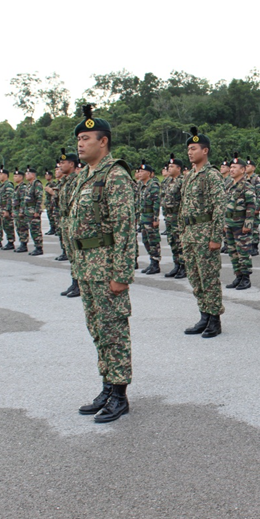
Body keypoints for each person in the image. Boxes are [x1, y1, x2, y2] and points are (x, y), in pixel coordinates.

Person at [69, 104, 136, 423]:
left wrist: (121, 273)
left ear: (103, 141)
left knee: (114, 331)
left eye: (86, 138)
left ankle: (120, 395)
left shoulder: (115, 175)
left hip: (107, 267)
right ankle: (107, 386)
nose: (80, 144)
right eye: (78, 139)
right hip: (87, 267)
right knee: (97, 329)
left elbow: (125, 228)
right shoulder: (85, 176)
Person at [180, 127, 226, 338]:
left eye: (194, 148)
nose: (189, 152)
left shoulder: (211, 175)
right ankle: (204, 315)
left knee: (209, 278)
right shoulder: (190, 175)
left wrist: (216, 237)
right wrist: (182, 232)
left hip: (205, 234)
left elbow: (219, 207)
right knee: (195, 278)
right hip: (189, 234)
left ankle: (215, 319)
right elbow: (183, 206)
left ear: (205, 150)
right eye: (188, 149)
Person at [224, 153, 256, 290]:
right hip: (230, 223)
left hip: (241, 224)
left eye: (234, 167)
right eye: (231, 167)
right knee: (232, 252)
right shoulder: (229, 185)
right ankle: (238, 276)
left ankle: (246, 278)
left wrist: (247, 224)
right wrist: (224, 223)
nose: (231, 170)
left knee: (243, 252)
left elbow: (251, 206)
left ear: (242, 170)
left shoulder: (246, 186)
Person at [56, 149, 82, 297]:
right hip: (65, 220)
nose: (60, 165)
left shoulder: (76, 181)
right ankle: (75, 281)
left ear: (72, 164)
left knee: (77, 254)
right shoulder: (65, 182)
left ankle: (81, 284)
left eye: (63, 162)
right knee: (71, 254)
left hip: (73, 220)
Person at [162, 154, 187, 279]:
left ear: (179, 168)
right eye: (169, 166)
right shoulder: (167, 181)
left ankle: (184, 266)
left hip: (178, 216)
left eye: (172, 166)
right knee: (172, 241)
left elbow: (185, 200)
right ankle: (176, 264)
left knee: (180, 241)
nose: (169, 168)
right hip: (169, 216)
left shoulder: (183, 181)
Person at [137, 160, 161, 275]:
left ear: (149, 173)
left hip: (150, 217)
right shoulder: (142, 186)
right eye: (139, 171)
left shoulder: (153, 185)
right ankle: (152, 262)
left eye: (142, 171)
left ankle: (155, 263)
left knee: (153, 241)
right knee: (146, 240)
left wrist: (156, 218)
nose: (140, 173)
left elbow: (156, 203)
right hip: (143, 218)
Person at [23, 166, 44, 256]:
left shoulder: (37, 184)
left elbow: (39, 198)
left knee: (36, 229)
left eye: (28, 173)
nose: (26, 175)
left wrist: (37, 211)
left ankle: (39, 247)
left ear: (33, 175)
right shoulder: (29, 185)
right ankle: (36, 246)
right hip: (28, 210)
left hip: (34, 210)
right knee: (32, 229)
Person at [245, 159, 260, 256]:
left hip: (253, 206)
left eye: (248, 166)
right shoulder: (244, 178)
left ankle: (255, 246)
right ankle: (248, 245)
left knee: (254, 227)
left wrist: (257, 207)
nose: (246, 168)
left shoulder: (257, 180)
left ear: (253, 168)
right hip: (246, 207)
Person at [0, 167, 16, 250]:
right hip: (2, 208)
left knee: (8, 225)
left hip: (6, 209)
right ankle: (9, 241)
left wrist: (7, 210)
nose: (0, 176)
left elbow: (9, 198)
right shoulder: (2, 185)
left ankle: (11, 242)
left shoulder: (8, 185)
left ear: (6, 175)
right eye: (0, 174)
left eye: (2, 174)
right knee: (5, 225)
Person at [12, 168, 29, 252]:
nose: (14, 178)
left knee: (22, 227)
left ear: (21, 177)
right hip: (16, 211)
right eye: (14, 176)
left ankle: (24, 244)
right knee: (18, 227)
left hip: (20, 212)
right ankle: (22, 242)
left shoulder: (22, 187)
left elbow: (23, 200)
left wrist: (21, 211)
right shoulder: (17, 187)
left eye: (16, 176)